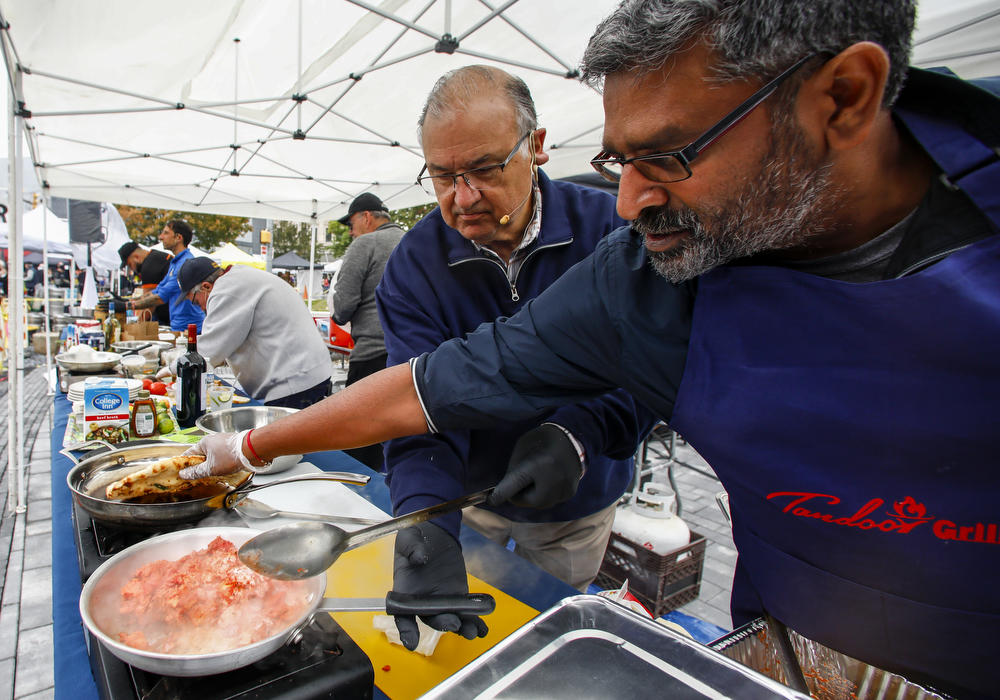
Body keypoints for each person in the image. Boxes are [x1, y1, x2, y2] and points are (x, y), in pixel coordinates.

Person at [183, 1, 1000, 695]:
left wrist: (580, 434)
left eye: (668, 155)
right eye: (621, 160)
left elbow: (628, 392)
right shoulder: (644, 273)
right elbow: (429, 387)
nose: (633, 196)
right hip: (786, 647)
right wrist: (247, 447)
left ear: (845, 97)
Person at [375, 65, 655, 603]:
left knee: (545, 619)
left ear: (538, 145)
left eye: (485, 168)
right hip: (469, 495)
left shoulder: (613, 229)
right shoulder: (414, 264)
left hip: (576, 498)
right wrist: (425, 515)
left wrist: (580, 435)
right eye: (441, 176)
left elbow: (651, 365)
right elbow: (413, 400)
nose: (463, 197)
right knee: (470, 618)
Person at [171, 257, 332, 407]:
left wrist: (170, 369)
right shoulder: (239, 277)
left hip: (295, 382)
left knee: (279, 437)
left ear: (206, 287)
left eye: (195, 301)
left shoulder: (228, 289)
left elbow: (209, 350)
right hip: (307, 373)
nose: (200, 307)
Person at [329, 192, 405, 469]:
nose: (350, 233)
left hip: (373, 357)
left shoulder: (366, 243)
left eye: (350, 224)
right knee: (403, 447)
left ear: (367, 217)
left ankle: (362, 506)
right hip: (416, 359)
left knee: (359, 453)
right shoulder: (413, 241)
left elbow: (342, 308)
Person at [126, 220, 204, 333]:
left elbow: (162, 296)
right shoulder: (175, 262)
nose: (161, 237)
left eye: (166, 233)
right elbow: (158, 290)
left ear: (178, 237)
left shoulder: (185, 263)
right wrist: (128, 301)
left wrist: (127, 306)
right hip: (180, 327)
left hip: (190, 329)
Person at [117, 241, 172, 326]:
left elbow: (149, 304)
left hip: (169, 319)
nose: (132, 269)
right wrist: (127, 301)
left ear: (136, 257)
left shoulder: (148, 267)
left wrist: (137, 326)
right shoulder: (156, 257)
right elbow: (152, 294)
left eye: (130, 265)